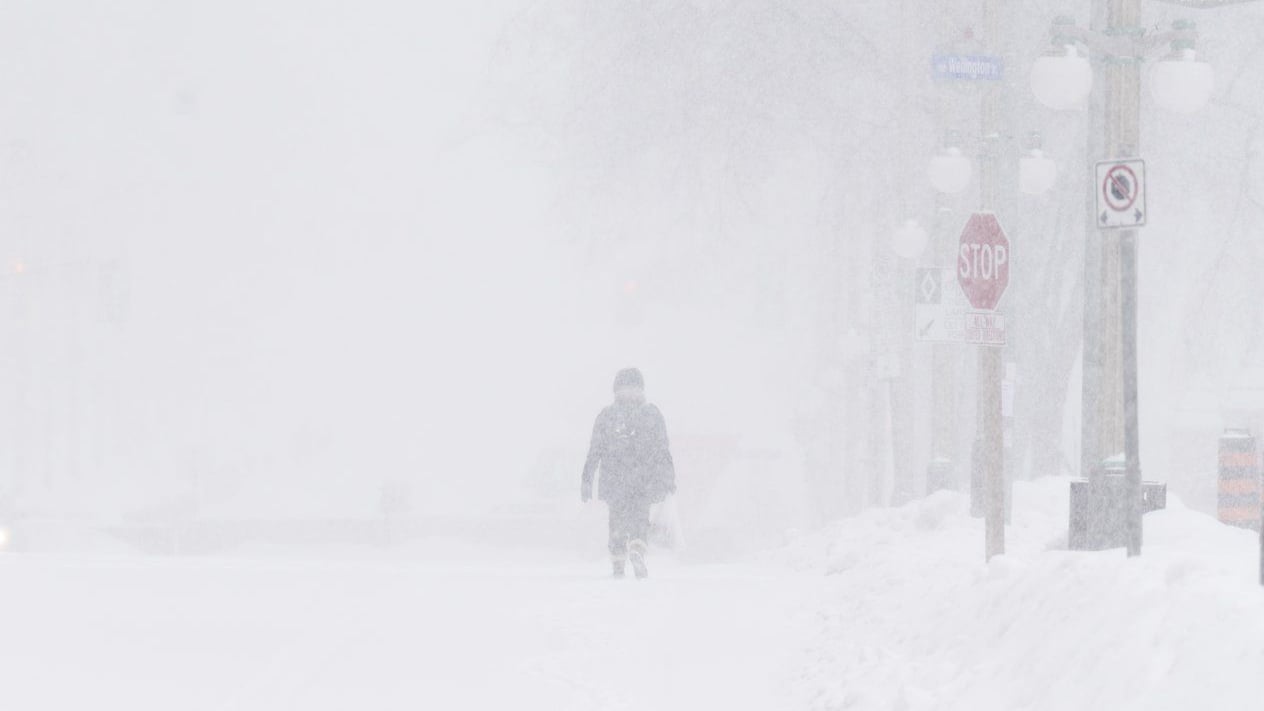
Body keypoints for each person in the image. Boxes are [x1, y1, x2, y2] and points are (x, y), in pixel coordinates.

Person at [581, 367, 676, 579]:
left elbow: (594, 450)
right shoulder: (651, 413)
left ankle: (618, 561)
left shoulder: (607, 416)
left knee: (616, 520)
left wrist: (587, 479)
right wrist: (668, 478)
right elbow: (662, 449)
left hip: (614, 480)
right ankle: (637, 549)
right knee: (640, 518)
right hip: (644, 479)